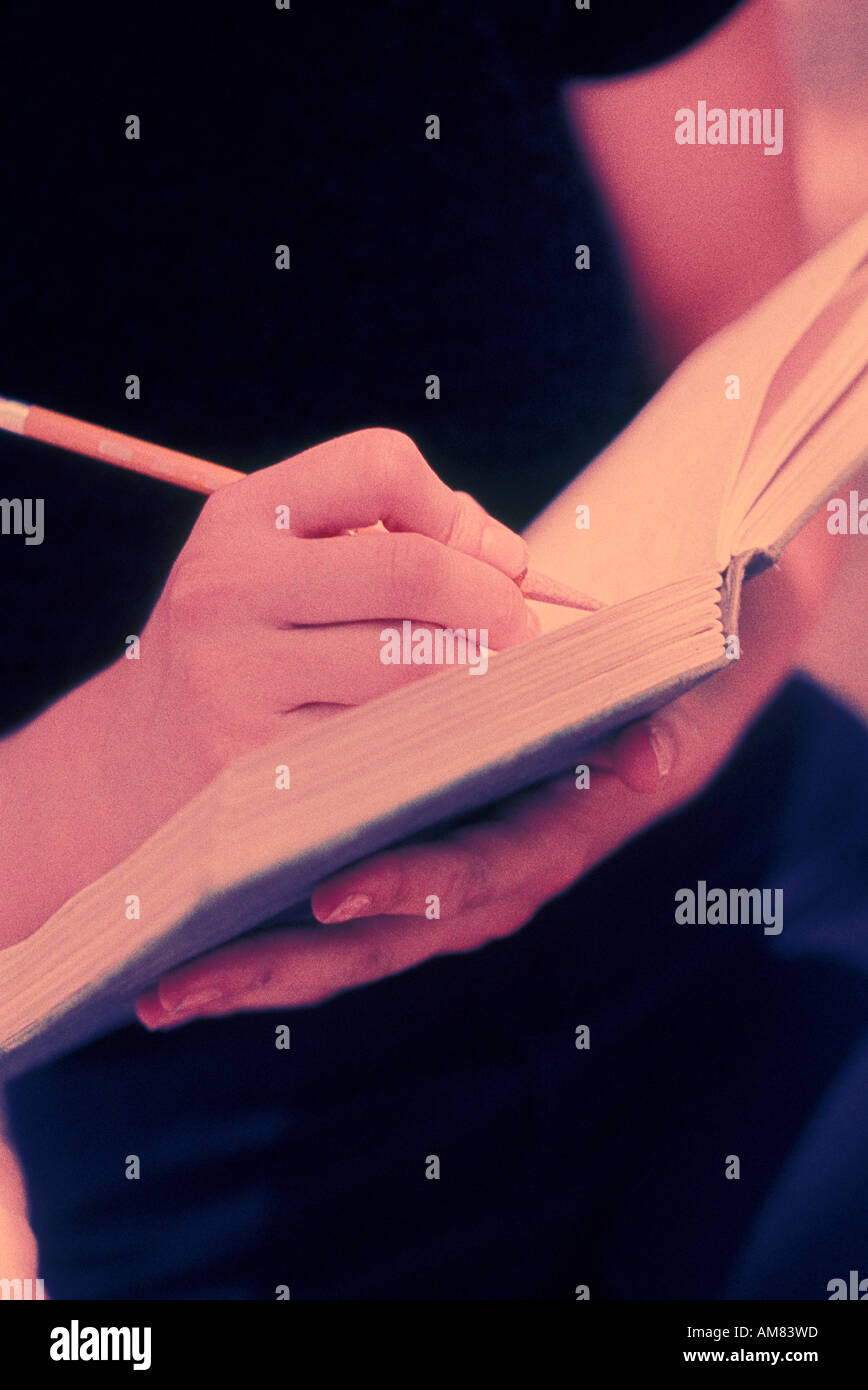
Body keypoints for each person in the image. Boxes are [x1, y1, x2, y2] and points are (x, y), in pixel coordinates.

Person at [2, 0, 867, 1298]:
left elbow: (760, 343)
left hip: (742, 889)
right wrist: (132, 754)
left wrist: (648, 758)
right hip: (212, 1137)